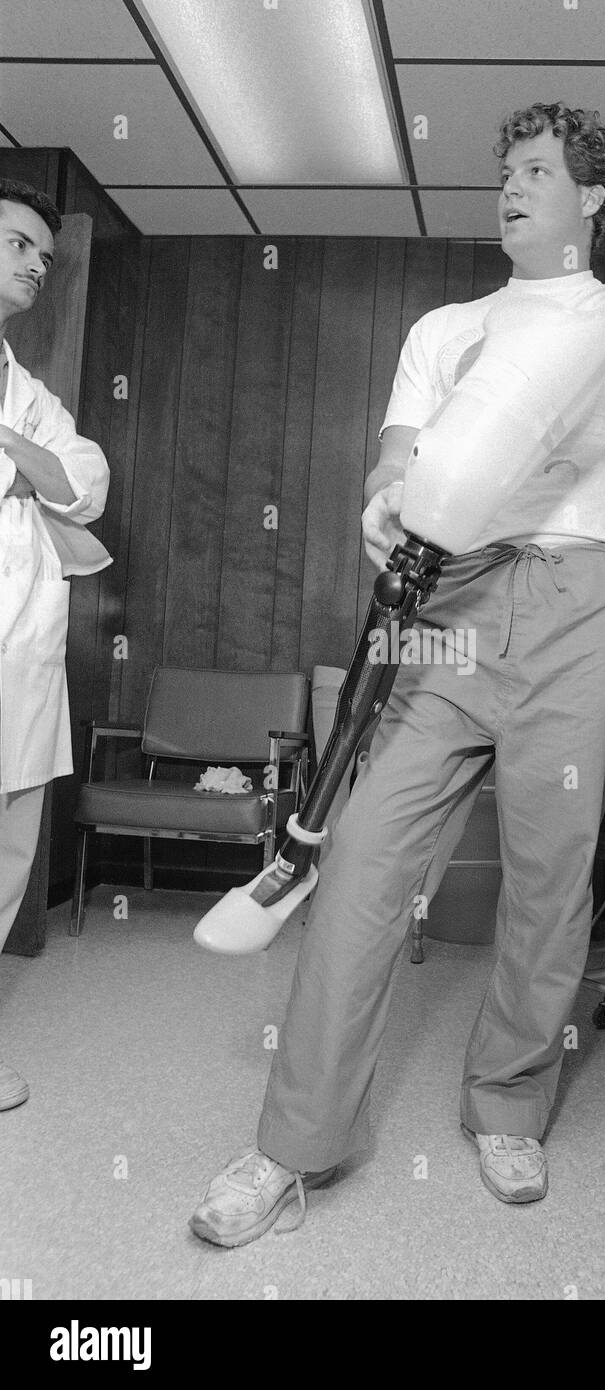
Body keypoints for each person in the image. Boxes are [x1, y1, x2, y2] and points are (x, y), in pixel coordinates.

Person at [189, 103, 605, 1245]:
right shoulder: (447, 324)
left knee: (547, 870)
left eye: (536, 170)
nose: (509, 187)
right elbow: (400, 448)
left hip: (581, 597)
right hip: (449, 605)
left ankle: (505, 1102)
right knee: (361, 853)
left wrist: (588, 351)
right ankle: (290, 1145)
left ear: (591, 199)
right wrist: (381, 492)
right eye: (502, 170)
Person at [0, 179, 110, 1111]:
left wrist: (11, 445)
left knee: (6, 853)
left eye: (43, 250)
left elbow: (83, 483)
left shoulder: (29, 394)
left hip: (19, 654)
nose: (40, 263)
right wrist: (26, 468)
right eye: (20, 244)